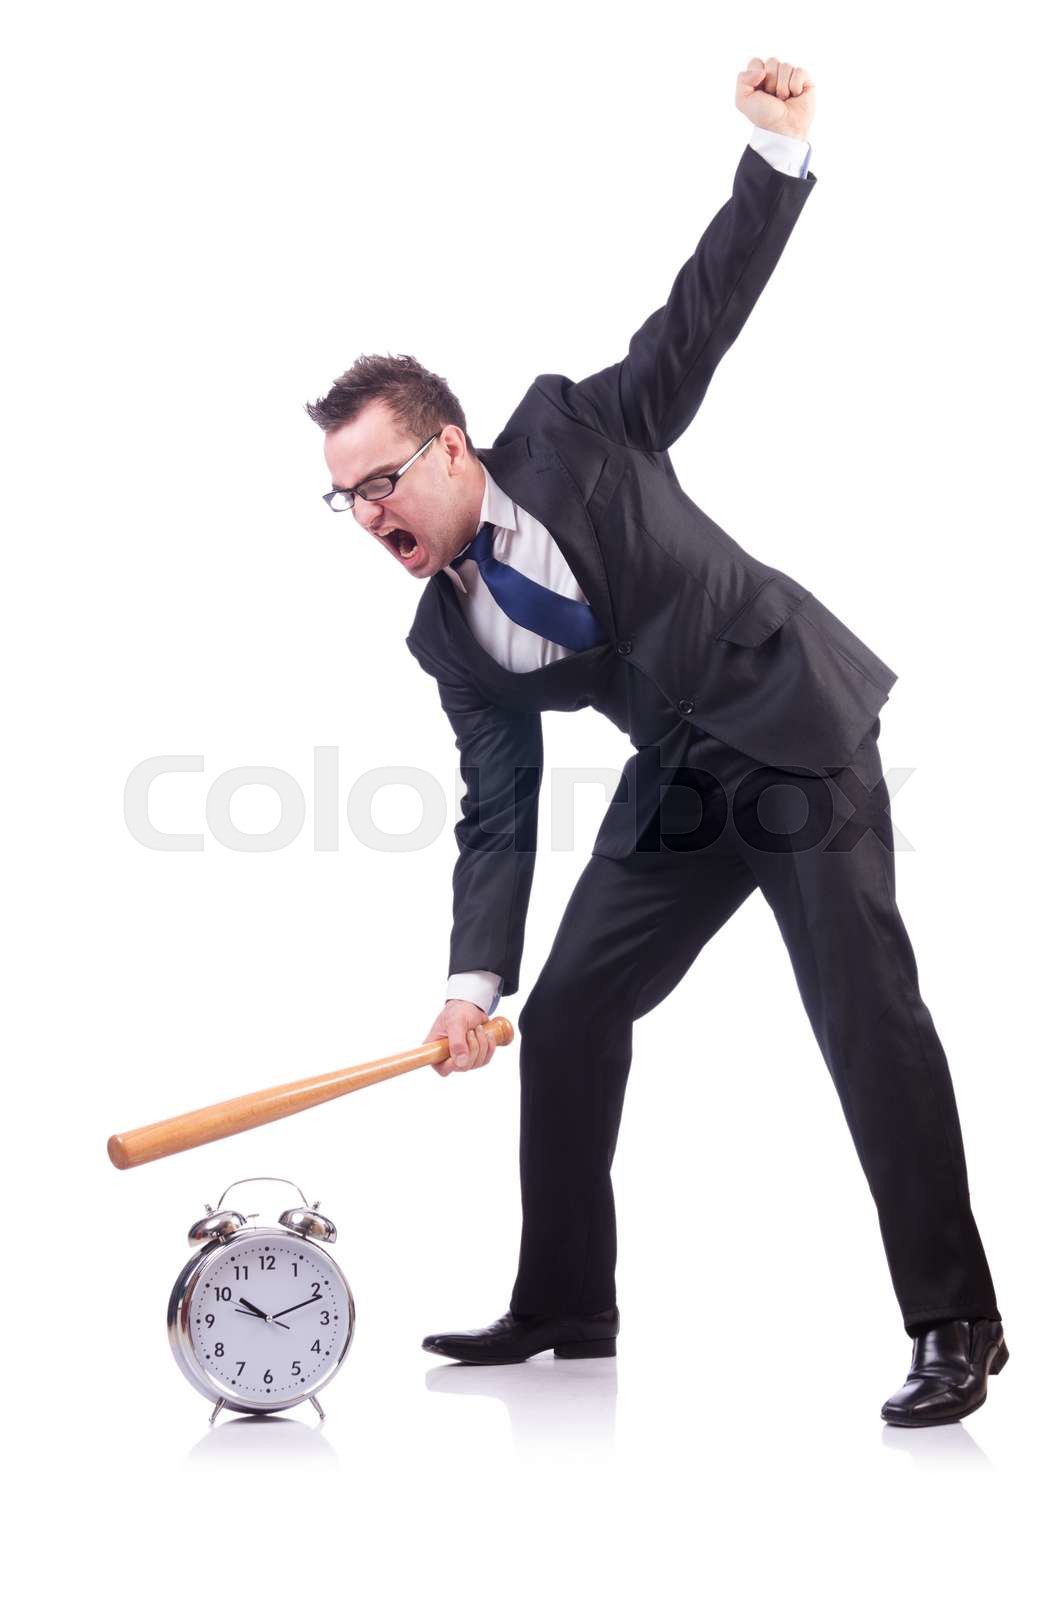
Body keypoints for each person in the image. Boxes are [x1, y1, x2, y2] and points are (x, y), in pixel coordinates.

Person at [306, 57, 1006, 1426]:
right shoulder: (447, 641)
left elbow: (700, 321)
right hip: (682, 784)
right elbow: (496, 811)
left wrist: (779, 161)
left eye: (382, 480)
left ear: (451, 451)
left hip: (795, 733)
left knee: (865, 1017)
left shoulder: (578, 430)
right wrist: (471, 986)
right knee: (567, 1014)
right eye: (344, 501)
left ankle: (956, 1324)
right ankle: (567, 1298)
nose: (371, 515)